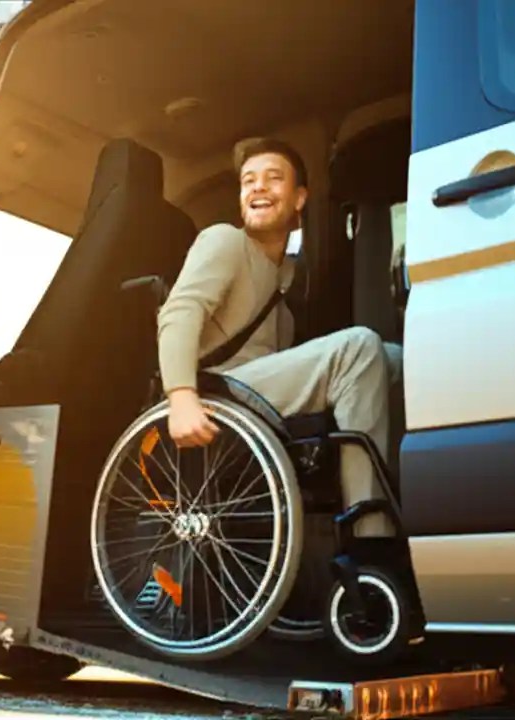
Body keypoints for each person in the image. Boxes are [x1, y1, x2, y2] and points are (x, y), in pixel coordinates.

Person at [156, 137, 394, 536]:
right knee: (360, 346)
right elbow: (179, 313)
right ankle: (372, 536)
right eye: (249, 181)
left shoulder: (284, 287)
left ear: (300, 199)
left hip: (255, 398)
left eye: (272, 178)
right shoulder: (224, 240)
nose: (258, 187)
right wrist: (180, 397)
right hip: (218, 394)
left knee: (394, 359)